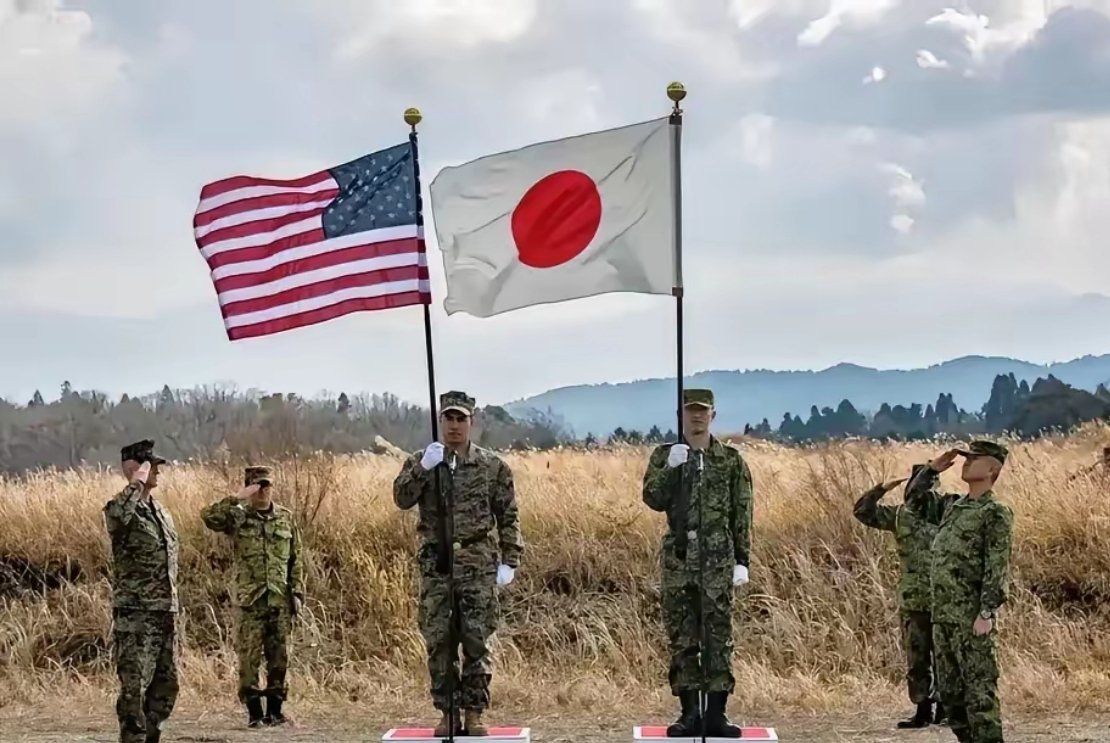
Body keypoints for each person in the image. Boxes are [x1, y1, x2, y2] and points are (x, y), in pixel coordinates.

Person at [393, 391, 524, 737]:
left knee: (477, 640)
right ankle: (448, 712)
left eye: (460, 419)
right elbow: (401, 498)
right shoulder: (424, 461)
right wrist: (423, 469)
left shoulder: (492, 467)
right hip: (438, 564)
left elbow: (508, 515)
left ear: (471, 421)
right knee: (440, 641)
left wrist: (510, 560)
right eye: (448, 418)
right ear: (440, 420)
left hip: (477, 562)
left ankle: (475, 712)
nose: (454, 425)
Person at [642, 389, 754, 738]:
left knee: (718, 636)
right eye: (690, 410)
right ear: (681, 415)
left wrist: (742, 560)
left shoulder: (730, 460)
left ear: (712, 415)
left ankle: (717, 714)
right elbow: (652, 498)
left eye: (702, 411)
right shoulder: (665, 455)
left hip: (717, 560)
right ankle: (689, 713)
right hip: (679, 558)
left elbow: (742, 512)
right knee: (683, 637)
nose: (696, 416)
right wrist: (671, 469)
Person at [904, 441, 1014, 743]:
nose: (966, 463)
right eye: (967, 458)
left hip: (971, 619)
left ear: (991, 469)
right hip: (942, 617)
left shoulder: (995, 512)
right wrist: (931, 470)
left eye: (974, 459)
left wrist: (986, 612)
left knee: (979, 696)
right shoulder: (953, 506)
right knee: (952, 698)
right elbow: (914, 502)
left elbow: (997, 565)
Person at [200, 466, 304, 727]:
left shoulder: (285, 518)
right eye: (257, 487)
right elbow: (209, 517)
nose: (263, 491)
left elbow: (296, 558)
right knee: (249, 660)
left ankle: (276, 711)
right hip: (250, 601)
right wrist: (237, 498)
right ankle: (255, 713)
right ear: (249, 489)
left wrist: (297, 592)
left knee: (279, 659)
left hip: (279, 599)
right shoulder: (238, 517)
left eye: (266, 486)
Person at [853, 466, 945, 728]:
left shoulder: (947, 513)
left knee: (945, 657)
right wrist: (882, 488)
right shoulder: (900, 516)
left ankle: (946, 708)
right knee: (917, 658)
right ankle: (922, 709)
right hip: (914, 599)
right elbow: (862, 511)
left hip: (945, 597)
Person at [102, 439, 179, 743]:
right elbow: (116, 516)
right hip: (136, 615)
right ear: (135, 468)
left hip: (164, 611)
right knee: (134, 687)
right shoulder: (122, 510)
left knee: (165, 685)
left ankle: (151, 736)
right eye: (151, 465)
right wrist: (136, 483)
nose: (157, 471)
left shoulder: (159, 511)